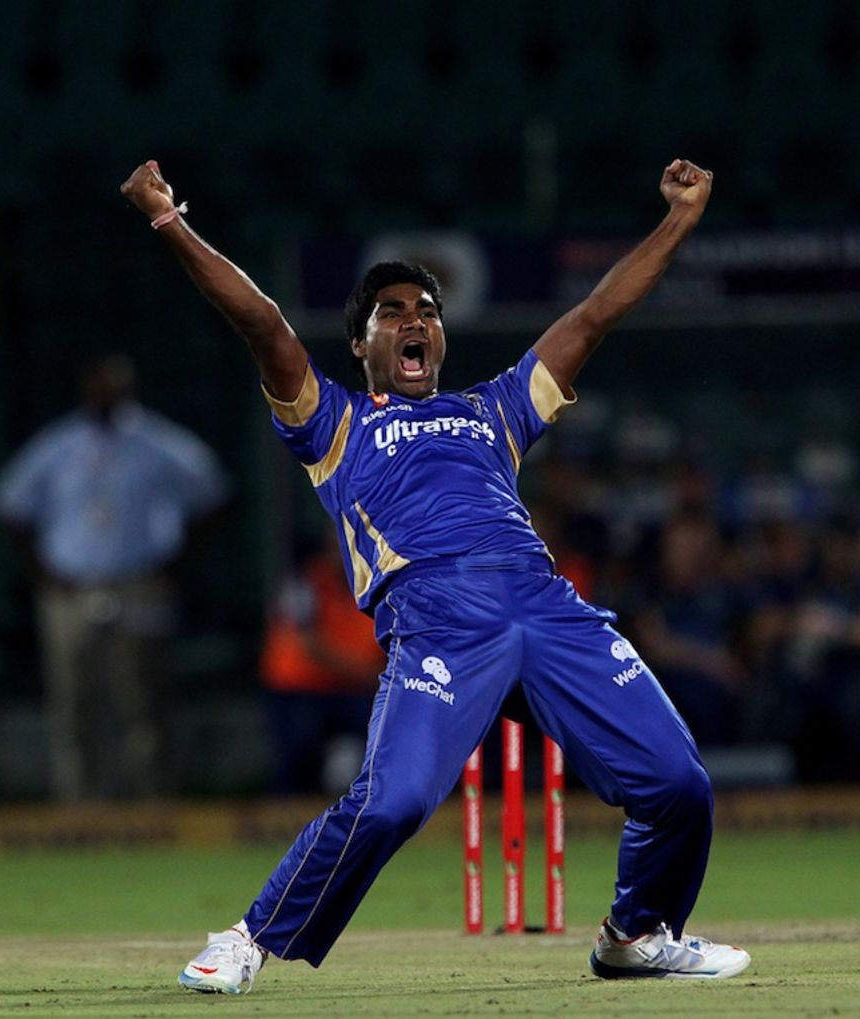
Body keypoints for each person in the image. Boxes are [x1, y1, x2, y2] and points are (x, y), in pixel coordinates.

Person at [119, 156, 751, 992]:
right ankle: (246, 937)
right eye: (391, 313)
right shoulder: (333, 423)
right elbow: (264, 323)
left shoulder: (495, 407)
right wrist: (169, 220)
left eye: (426, 311)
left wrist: (678, 219)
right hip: (439, 615)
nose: (413, 321)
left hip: (545, 604)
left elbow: (594, 315)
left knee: (679, 782)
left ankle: (638, 933)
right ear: (361, 343)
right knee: (392, 803)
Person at [0, 352, 228, 800]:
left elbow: (214, 493)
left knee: (143, 700)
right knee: (74, 703)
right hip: (71, 589)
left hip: (138, 585)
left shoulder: (157, 441)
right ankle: (81, 806)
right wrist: (41, 572)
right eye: (98, 384)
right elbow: (9, 505)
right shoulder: (59, 443)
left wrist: (177, 563)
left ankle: (151, 803)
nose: (106, 393)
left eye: (114, 384)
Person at [258, 525, 383, 794]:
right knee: (298, 743)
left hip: (351, 689)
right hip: (299, 689)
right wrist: (364, 674)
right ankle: (284, 809)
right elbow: (308, 644)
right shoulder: (305, 583)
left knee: (388, 731)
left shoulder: (375, 584)